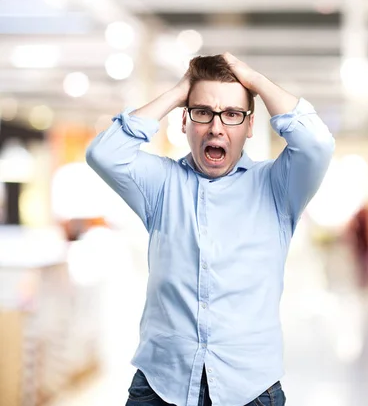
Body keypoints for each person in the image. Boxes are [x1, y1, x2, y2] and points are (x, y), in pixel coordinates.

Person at [86, 53, 335, 406]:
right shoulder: (161, 184)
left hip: (250, 391)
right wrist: (180, 90)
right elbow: (104, 153)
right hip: (160, 387)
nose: (217, 127)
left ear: (249, 126)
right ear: (185, 122)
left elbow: (317, 143)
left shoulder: (278, 188)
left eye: (232, 114)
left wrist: (255, 81)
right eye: (203, 112)